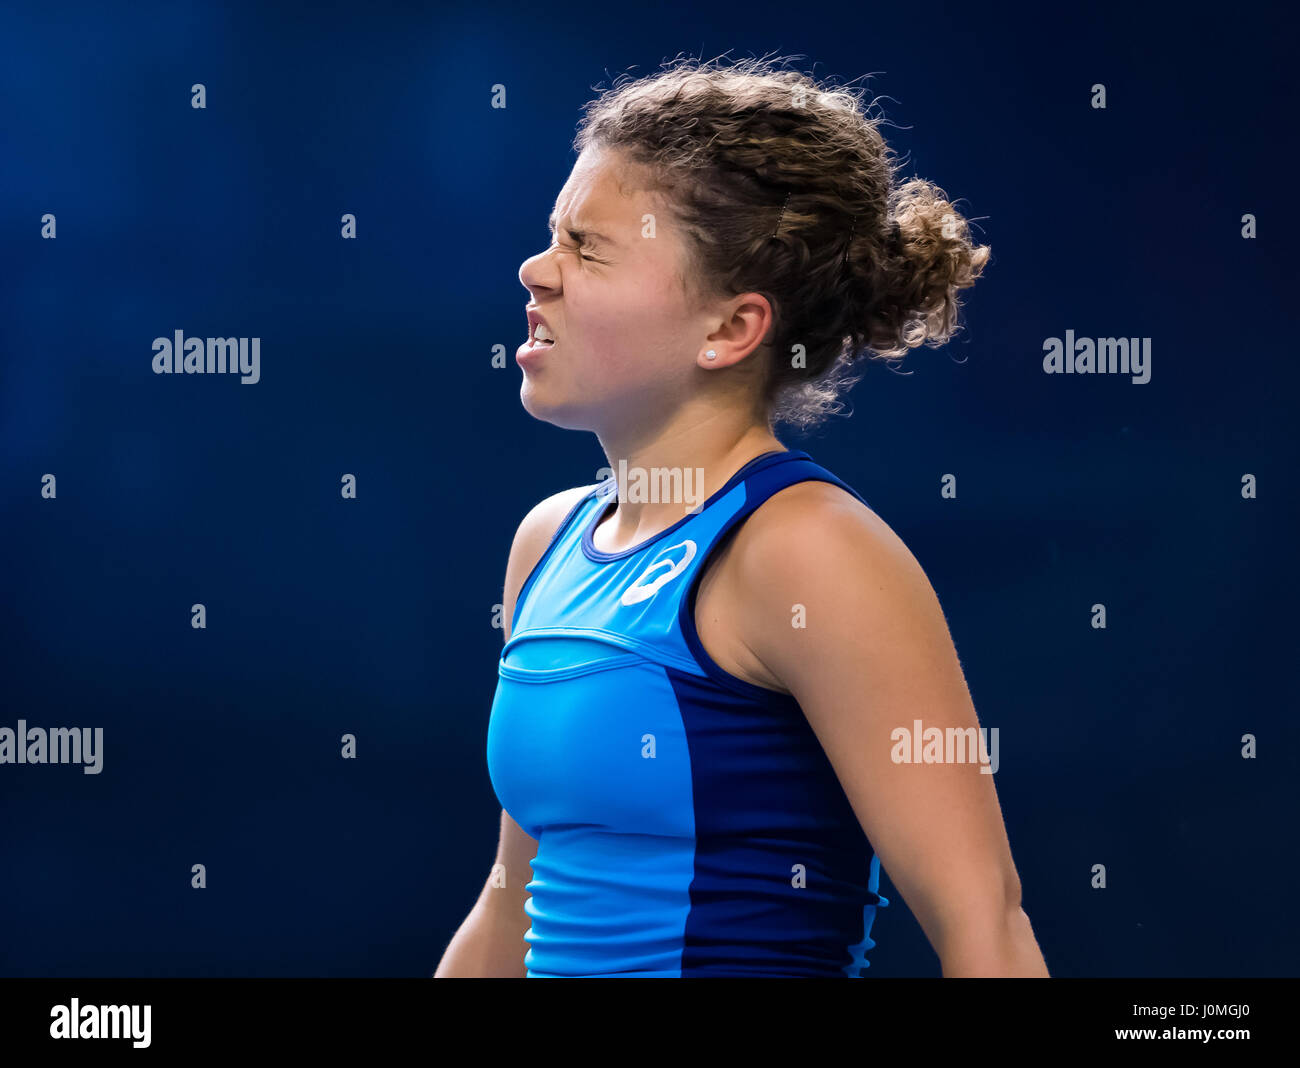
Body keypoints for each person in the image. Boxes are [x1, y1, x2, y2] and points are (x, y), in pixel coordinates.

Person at [436, 55, 1047, 978]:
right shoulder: (547, 543)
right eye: (552, 236)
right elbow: (510, 902)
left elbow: (984, 929)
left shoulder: (808, 552)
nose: (535, 271)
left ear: (731, 329)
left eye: (588, 249)